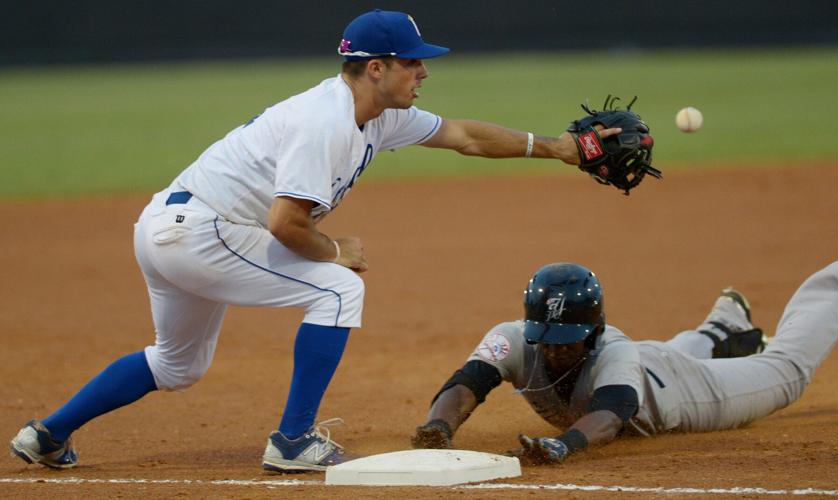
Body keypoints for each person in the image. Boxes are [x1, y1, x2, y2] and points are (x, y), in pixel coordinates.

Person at [8, 9, 617, 473]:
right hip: (202, 234)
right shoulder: (324, 123)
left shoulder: (378, 114)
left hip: (169, 229)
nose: (424, 71)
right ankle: (294, 440)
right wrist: (334, 251)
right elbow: (285, 223)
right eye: (412, 62)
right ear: (375, 68)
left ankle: (47, 434)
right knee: (336, 290)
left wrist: (559, 148)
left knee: (176, 363)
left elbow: (464, 136)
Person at [411, 232, 838, 464]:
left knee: (787, 371)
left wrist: (565, 444)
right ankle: (722, 326)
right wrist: (440, 426)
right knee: (665, 351)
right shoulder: (515, 337)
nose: (555, 351)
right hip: (652, 362)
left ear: (594, 330)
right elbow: (468, 382)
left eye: (568, 341)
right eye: (547, 340)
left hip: (684, 392)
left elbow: (611, 415)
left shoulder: (614, 352)